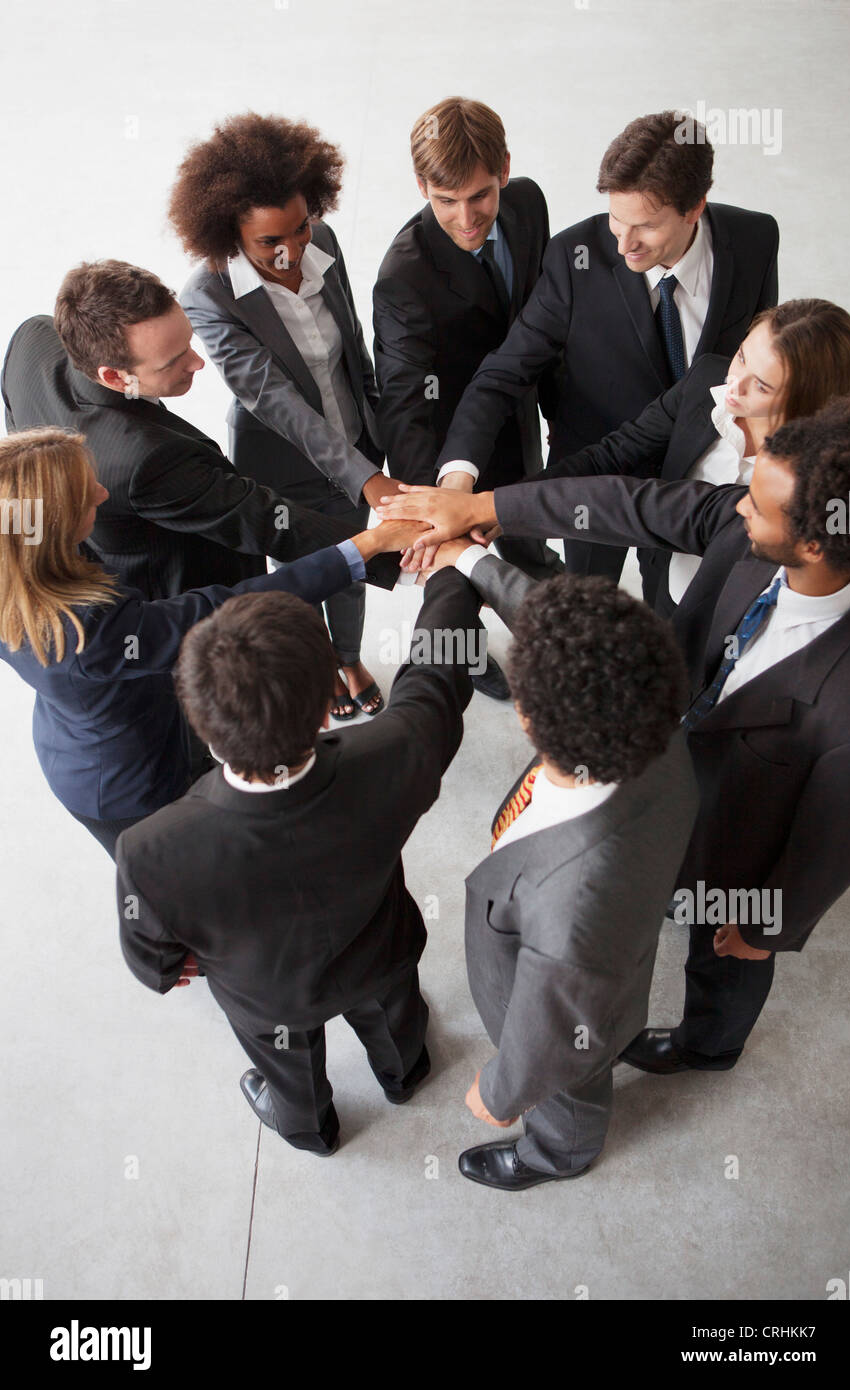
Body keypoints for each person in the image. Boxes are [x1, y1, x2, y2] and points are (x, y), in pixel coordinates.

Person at [377, 396, 850, 1071]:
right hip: (652, 768)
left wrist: (766, 928)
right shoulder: (746, 520)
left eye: (757, 504)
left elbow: (833, 843)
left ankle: (709, 1045)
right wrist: (483, 510)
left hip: (731, 849)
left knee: (722, 953)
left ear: (815, 543)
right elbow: (625, 502)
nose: (739, 506)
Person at [115, 562, 486, 1157]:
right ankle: (405, 1074)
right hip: (379, 953)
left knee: (288, 1070)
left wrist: (170, 968)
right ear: (324, 706)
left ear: (201, 722)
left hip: (267, 997)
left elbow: (154, 963)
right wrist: (453, 574)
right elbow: (435, 682)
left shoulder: (151, 848)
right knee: (396, 1020)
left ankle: (311, 1129)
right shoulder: (395, 752)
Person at [0, 427, 417, 858]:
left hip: (85, 733)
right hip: (131, 786)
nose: (104, 495)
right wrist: (369, 544)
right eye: (88, 497)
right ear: (53, 525)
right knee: (191, 878)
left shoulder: (22, 559)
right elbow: (225, 608)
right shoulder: (87, 631)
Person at [423, 549, 698, 1190]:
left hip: (566, 1014)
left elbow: (549, 1032)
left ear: (526, 716)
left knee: (571, 1083)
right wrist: (471, 560)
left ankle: (559, 1154)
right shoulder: (651, 719)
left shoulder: (573, 908)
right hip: (616, 957)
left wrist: (501, 1090)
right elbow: (581, 639)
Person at [436, 109, 779, 584]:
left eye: (647, 227)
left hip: (697, 489)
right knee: (587, 607)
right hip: (592, 481)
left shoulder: (756, 240)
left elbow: (760, 359)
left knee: (676, 610)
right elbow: (504, 373)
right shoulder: (575, 258)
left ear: (695, 207)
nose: (624, 246)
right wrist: (459, 477)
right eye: (618, 222)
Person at [174, 113, 392, 719]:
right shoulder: (208, 297)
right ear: (229, 236)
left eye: (297, 229)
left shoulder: (321, 241)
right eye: (269, 241)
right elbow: (276, 401)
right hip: (282, 463)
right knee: (301, 569)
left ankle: (347, 656)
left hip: (354, 445)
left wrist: (376, 442)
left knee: (355, 564)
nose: (290, 251)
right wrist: (366, 478)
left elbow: (354, 345)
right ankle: (315, 661)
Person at [1, 262, 372, 600]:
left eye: (188, 342)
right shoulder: (148, 460)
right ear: (114, 377)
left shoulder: (32, 338)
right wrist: (387, 547)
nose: (197, 362)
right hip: (182, 591)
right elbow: (262, 519)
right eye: (173, 361)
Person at [373, 96, 563, 700]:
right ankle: (467, 640)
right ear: (422, 186)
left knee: (527, 510)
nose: (465, 217)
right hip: (448, 439)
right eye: (445, 200)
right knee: (457, 566)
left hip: (519, 413)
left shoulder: (529, 203)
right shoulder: (403, 275)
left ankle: (534, 562)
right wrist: (426, 506)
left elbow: (544, 312)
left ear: (505, 169)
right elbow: (403, 404)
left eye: (479, 196)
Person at [541, 300, 850, 613]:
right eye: (741, 357)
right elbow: (615, 453)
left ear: (810, 398)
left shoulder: (836, 472)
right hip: (667, 588)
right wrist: (500, 503)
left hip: (751, 619)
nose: (734, 387)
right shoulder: (705, 380)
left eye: (763, 387)